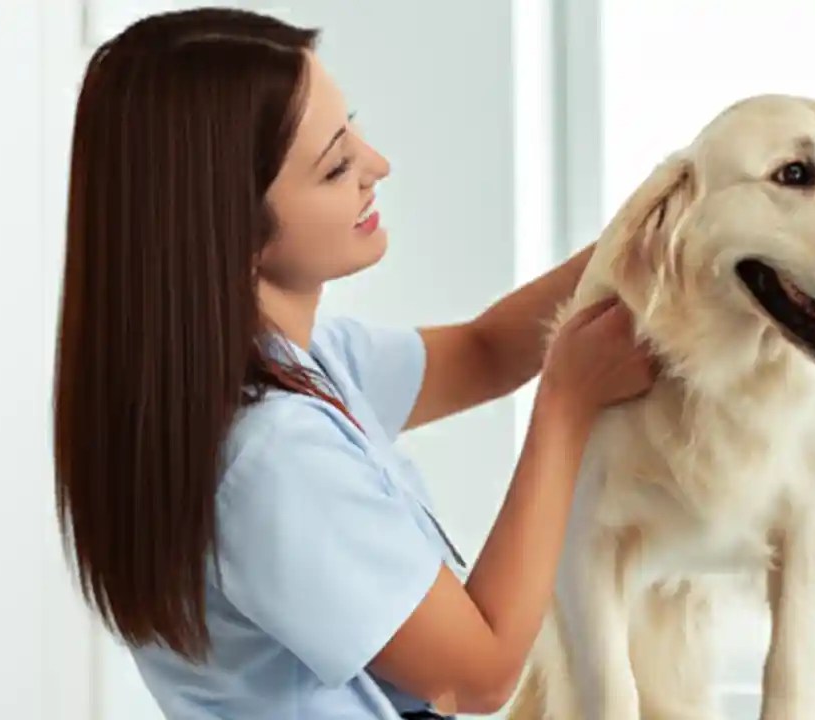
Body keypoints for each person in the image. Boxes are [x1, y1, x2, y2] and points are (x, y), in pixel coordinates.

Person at [52, 8, 655, 720]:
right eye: (336, 165)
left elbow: (486, 350)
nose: (377, 166)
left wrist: (647, 230)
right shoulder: (271, 457)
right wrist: (566, 407)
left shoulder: (296, 363)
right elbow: (480, 676)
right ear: (234, 229)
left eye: (353, 131)